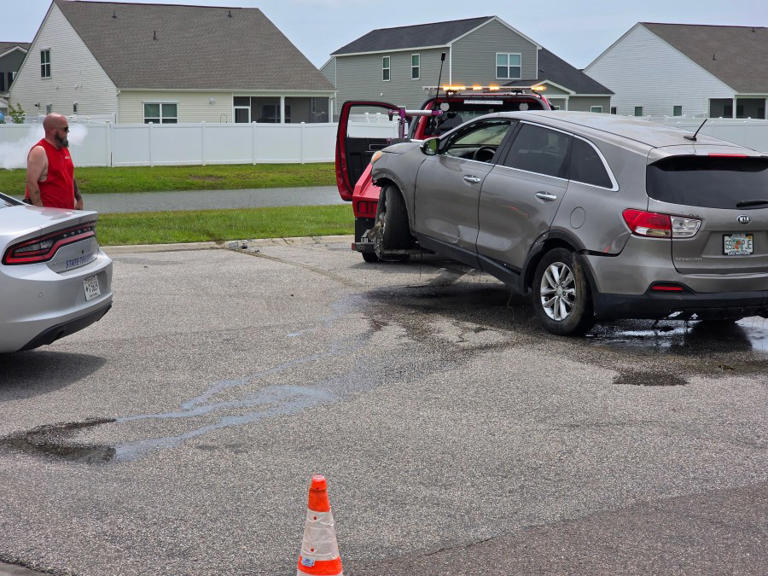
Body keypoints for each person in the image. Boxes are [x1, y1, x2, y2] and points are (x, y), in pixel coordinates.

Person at [25, 113, 83, 209]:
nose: (68, 132)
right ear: (53, 131)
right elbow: (31, 183)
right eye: (65, 129)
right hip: (49, 217)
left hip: (66, 214)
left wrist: (79, 199)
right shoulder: (39, 151)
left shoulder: (63, 148)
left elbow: (70, 175)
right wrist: (39, 211)